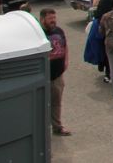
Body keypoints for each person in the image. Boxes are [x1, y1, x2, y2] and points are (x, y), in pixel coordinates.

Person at [40, 8, 72, 136]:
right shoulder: (39, 34)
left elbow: (65, 46)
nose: (53, 20)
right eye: (50, 18)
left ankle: (57, 127)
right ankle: (41, 130)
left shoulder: (59, 31)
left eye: (54, 18)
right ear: (42, 19)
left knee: (56, 103)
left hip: (58, 75)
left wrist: (66, 61)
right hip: (43, 76)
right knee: (41, 104)